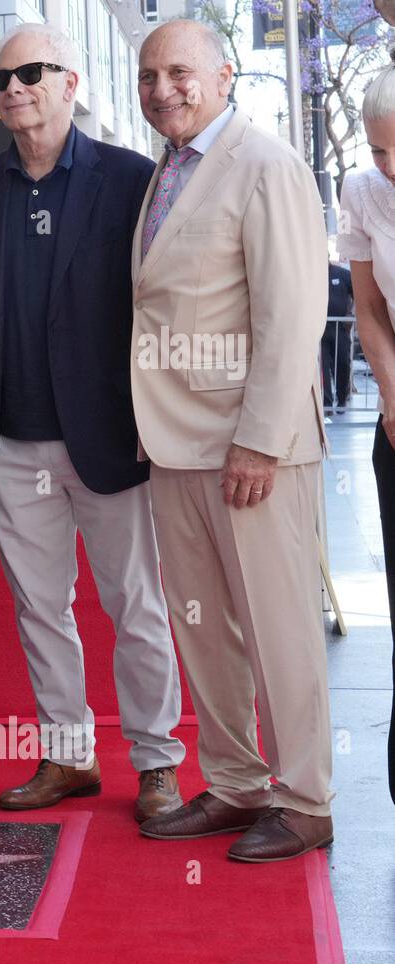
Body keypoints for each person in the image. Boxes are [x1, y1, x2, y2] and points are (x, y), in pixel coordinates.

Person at [0, 23, 185, 822]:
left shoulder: (130, 180)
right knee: (40, 607)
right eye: (1, 78)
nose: (14, 88)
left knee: (136, 605)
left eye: (32, 73)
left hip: (112, 438)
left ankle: (157, 762)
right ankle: (69, 756)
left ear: (71, 82)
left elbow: (159, 307)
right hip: (12, 441)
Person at [131, 21, 333, 860]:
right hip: (174, 442)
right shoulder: (169, 171)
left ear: (224, 75)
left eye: (179, 72)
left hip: (254, 448)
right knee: (205, 626)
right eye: (148, 76)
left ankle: (308, 798)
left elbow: (292, 314)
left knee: (279, 627)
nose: (162, 88)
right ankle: (238, 782)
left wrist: (259, 441)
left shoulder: (267, 163)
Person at [337, 56, 395, 804]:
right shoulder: (361, 190)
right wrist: (391, 388)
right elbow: (369, 307)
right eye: (379, 150)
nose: (390, 165)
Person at [322, 260, 354, 414]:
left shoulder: (342, 274)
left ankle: (342, 400)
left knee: (342, 364)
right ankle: (326, 404)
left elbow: (360, 294)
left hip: (340, 327)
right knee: (322, 367)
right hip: (319, 329)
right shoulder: (312, 274)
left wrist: (352, 315)